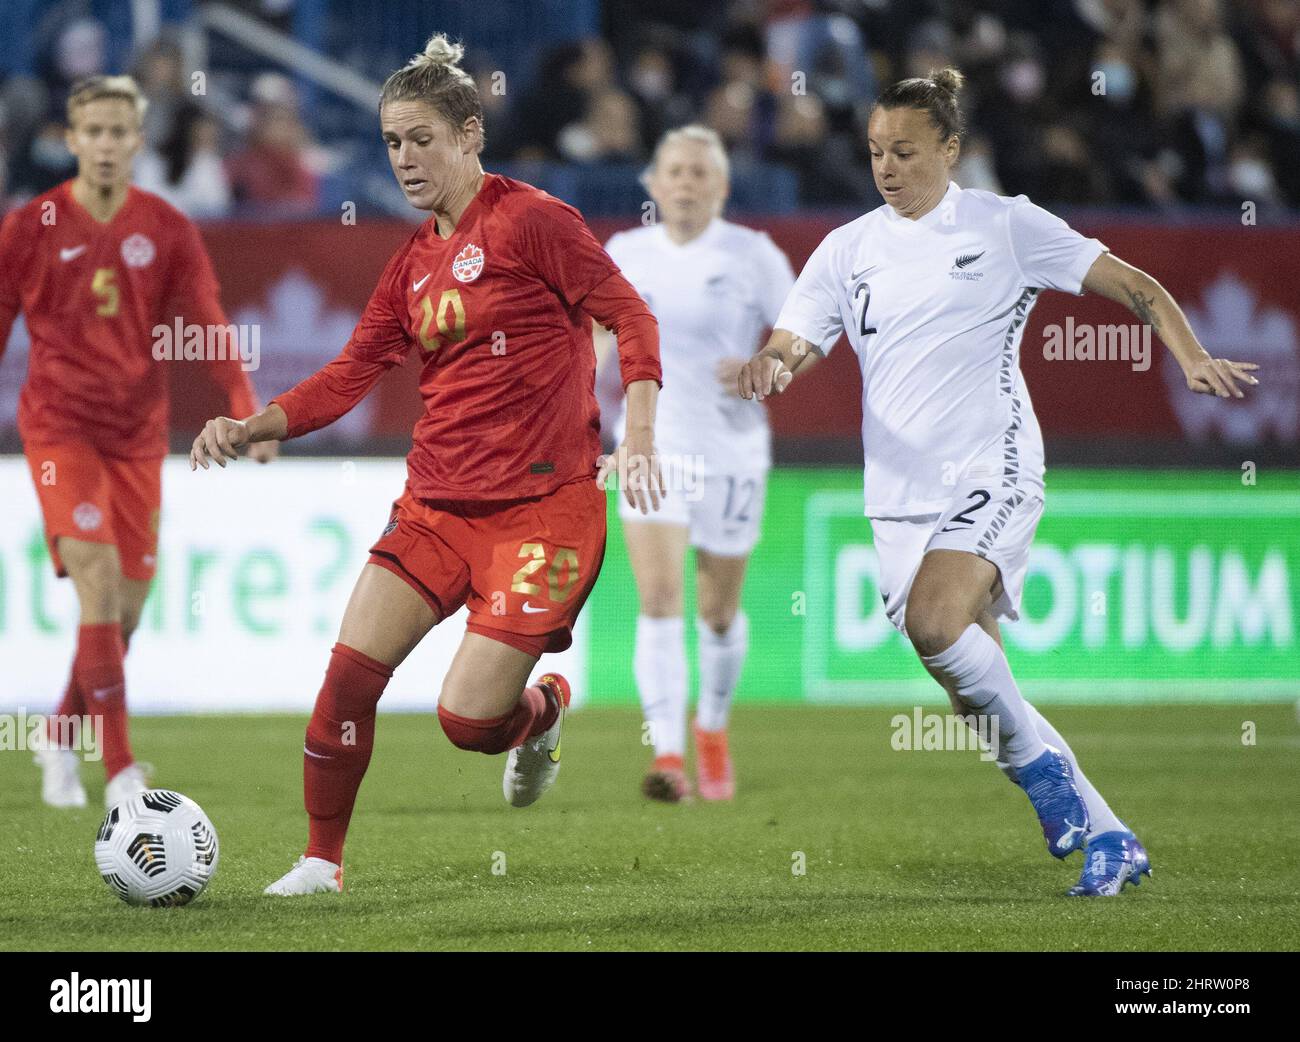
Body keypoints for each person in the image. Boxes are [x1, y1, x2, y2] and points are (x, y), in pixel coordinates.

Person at [740, 68, 1259, 897]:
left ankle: (1041, 772)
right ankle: (1112, 836)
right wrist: (771, 367)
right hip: (897, 494)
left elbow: (1137, 285)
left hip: (994, 461)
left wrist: (1190, 357)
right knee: (982, 692)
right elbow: (796, 341)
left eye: (906, 152)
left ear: (951, 150)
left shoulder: (1007, 225)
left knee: (936, 622)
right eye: (875, 152)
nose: (887, 168)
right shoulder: (848, 249)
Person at [190, 34, 663, 896]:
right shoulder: (411, 264)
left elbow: (632, 317)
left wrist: (639, 435)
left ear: (469, 134)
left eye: (421, 139)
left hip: (543, 509)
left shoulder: (535, 222)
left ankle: (542, 711)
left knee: (466, 722)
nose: (405, 159)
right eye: (392, 143)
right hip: (436, 509)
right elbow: (350, 372)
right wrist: (255, 422)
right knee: (345, 679)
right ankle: (320, 864)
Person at [0, 75, 273, 810]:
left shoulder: (167, 226)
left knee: (125, 611)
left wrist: (243, 403)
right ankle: (119, 769)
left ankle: (59, 733)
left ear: (138, 140)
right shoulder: (30, 225)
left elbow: (209, 317)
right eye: (93, 132)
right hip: (59, 426)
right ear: (71, 138)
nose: (107, 145)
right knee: (96, 577)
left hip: (136, 435)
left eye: (120, 133)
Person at [600, 125, 799, 802]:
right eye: (674, 172)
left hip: (732, 452)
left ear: (721, 186)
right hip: (651, 449)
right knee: (658, 600)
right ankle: (669, 755)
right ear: (653, 185)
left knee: (716, 613)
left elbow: (802, 336)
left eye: (699, 173)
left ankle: (711, 726)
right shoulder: (625, 253)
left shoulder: (753, 255)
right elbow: (593, 341)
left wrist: (764, 364)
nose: (685, 183)